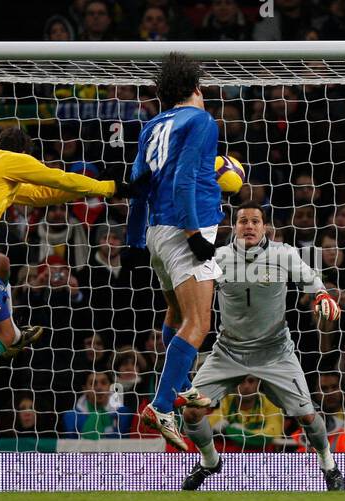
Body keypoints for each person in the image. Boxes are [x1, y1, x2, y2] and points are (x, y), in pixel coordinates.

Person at [0, 126, 126, 441]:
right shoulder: (8, 161)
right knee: (2, 335)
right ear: (23, 155)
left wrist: (88, 191)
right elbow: (57, 178)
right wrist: (111, 187)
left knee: (2, 263)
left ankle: (15, 332)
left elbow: (47, 193)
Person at [178, 206, 344, 491]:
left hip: (275, 352)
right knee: (191, 412)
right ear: (234, 227)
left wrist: (322, 296)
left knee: (307, 416)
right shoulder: (218, 258)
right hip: (228, 351)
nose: (249, 226)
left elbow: (312, 281)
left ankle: (328, 465)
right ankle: (209, 461)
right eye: (243, 221)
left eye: (255, 221)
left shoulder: (284, 254)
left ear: (265, 227)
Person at [124, 53, 226, 449]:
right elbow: (184, 178)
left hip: (155, 232)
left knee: (177, 314)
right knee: (198, 323)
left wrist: (133, 243)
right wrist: (194, 234)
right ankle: (162, 404)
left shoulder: (151, 126)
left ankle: (181, 387)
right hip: (187, 229)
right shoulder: (201, 120)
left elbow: (137, 185)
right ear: (196, 89)